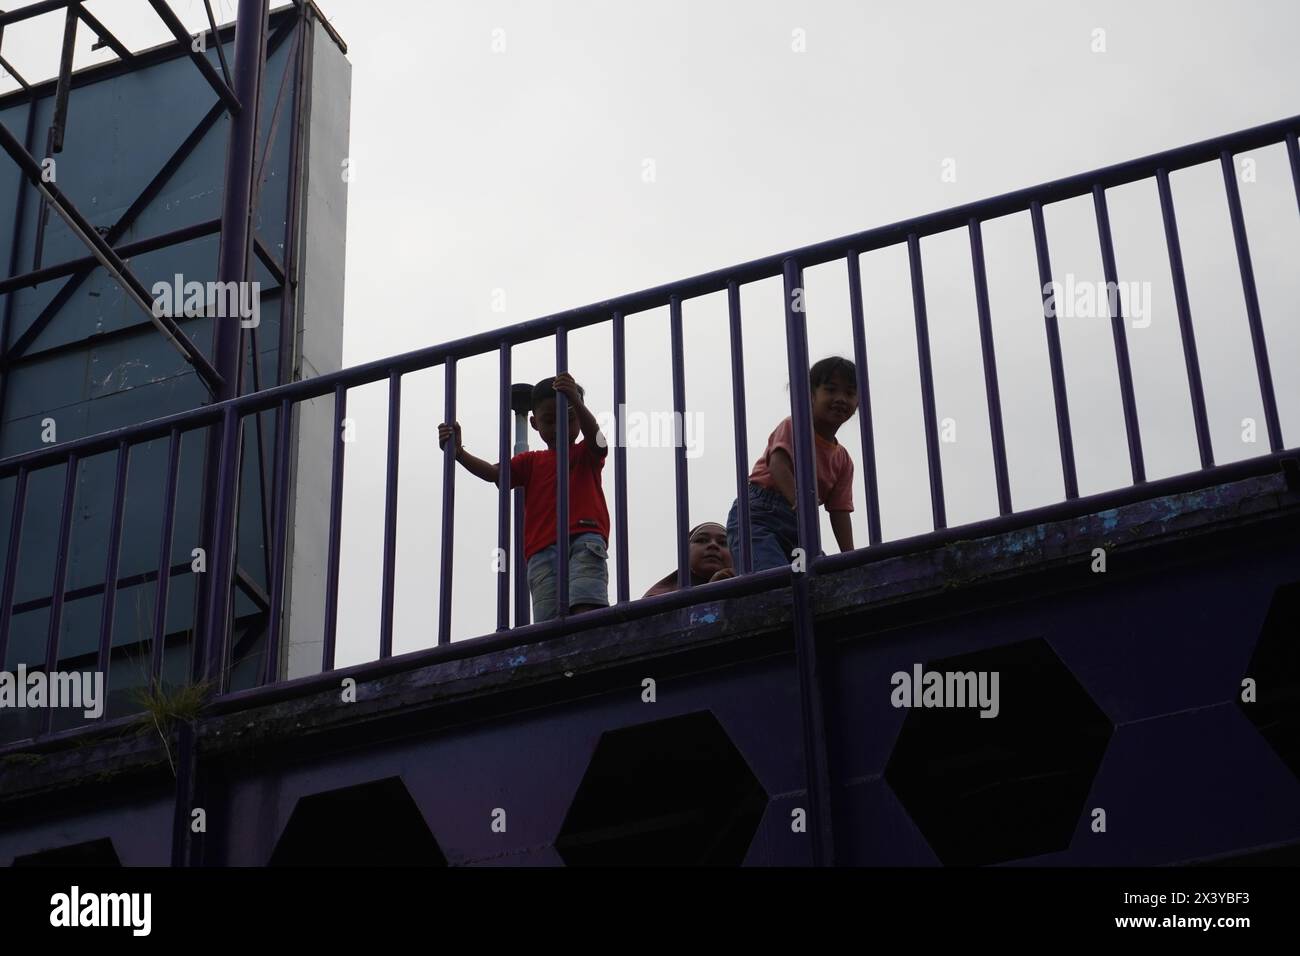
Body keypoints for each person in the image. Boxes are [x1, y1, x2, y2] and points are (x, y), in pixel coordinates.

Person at [439, 372, 610, 622]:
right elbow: (494, 473)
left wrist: (577, 401)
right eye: (550, 421)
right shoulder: (531, 462)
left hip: (584, 537)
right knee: (549, 621)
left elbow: (599, 442)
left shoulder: (585, 452)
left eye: (569, 418)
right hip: (541, 549)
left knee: (587, 606)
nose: (559, 426)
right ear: (534, 424)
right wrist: (459, 453)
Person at [726, 356, 859, 572]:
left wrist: (851, 558)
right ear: (809, 395)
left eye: (850, 393)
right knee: (772, 574)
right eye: (831, 390)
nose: (841, 398)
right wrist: (798, 498)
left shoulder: (843, 460)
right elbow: (778, 463)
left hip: (800, 524)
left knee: (815, 577)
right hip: (760, 514)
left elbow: (840, 511)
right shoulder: (795, 425)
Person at [643, 521, 735, 598]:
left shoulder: (747, 588)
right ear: (685, 551)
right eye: (701, 540)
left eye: (723, 542)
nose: (713, 545)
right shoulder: (657, 598)